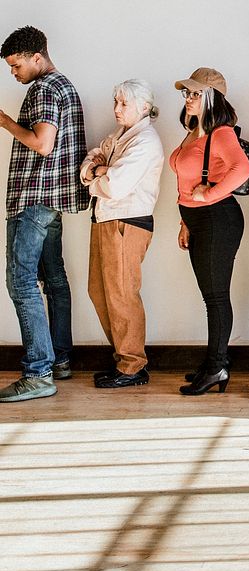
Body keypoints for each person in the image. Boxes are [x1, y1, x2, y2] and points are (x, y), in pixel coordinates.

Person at [0, 26, 88, 402]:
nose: (14, 74)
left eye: (17, 65)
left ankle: (38, 372)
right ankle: (60, 359)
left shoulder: (44, 89)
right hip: (52, 201)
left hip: (33, 199)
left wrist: (3, 121)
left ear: (37, 57)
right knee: (53, 278)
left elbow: (42, 143)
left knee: (21, 282)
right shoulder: (64, 85)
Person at [170, 67, 249, 395]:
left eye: (194, 93)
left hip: (219, 219)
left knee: (216, 298)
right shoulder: (194, 131)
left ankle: (217, 367)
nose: (188, 99)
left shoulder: (222, 133)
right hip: (199, 220)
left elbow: (241, 168)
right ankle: (213, 363)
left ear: (212, 98)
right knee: (210, 296)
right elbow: (186, 180)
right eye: (186, 93)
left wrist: (211, 193)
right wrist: (185, 221)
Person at [81, 79, 164, 388]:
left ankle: (132, 365)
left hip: (126, 223)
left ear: (144, 107)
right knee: (99, 291)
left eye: (124, 103)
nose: (117, 109)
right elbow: (90, 161)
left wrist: (100, 174)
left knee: (121, 293)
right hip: (105, 219)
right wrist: (97, 171)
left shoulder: (146, 141)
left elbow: (116, 186)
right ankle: (122, 359)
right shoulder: (119, 135)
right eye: (115, 102)